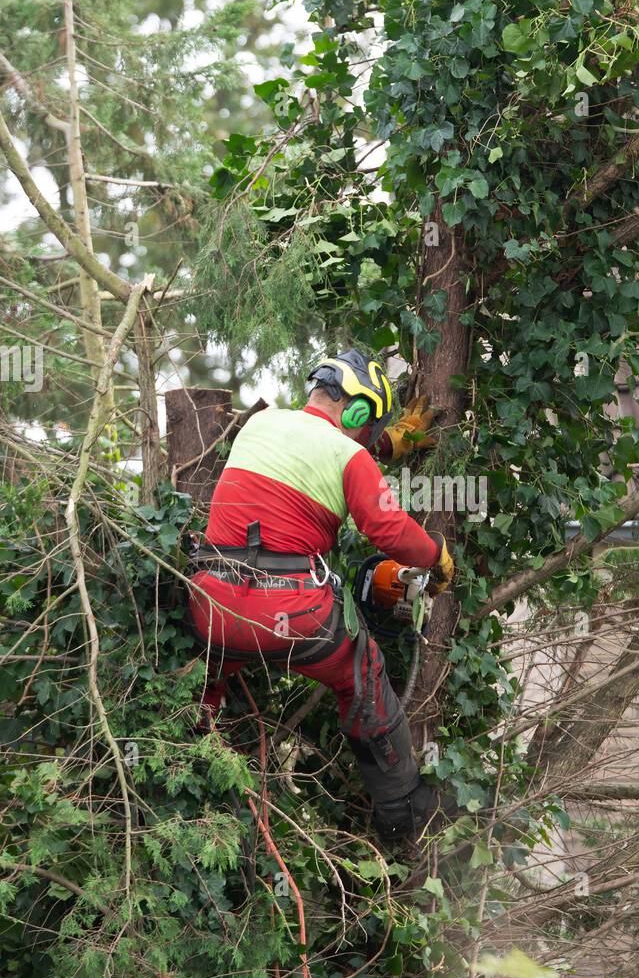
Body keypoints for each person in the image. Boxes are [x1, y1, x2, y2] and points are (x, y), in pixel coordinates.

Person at [187, 349, 454, 840]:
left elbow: (309, 449)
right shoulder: (350, 454)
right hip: (291, 610)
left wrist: (386, 445)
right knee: (362, 671)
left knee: (207, 680)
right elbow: (387, 528)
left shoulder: (260, 425)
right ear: (356, 412)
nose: (366, 440)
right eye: (368, 428)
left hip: (214, 606)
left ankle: (189, 777)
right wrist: (434, 555)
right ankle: (401, 808)